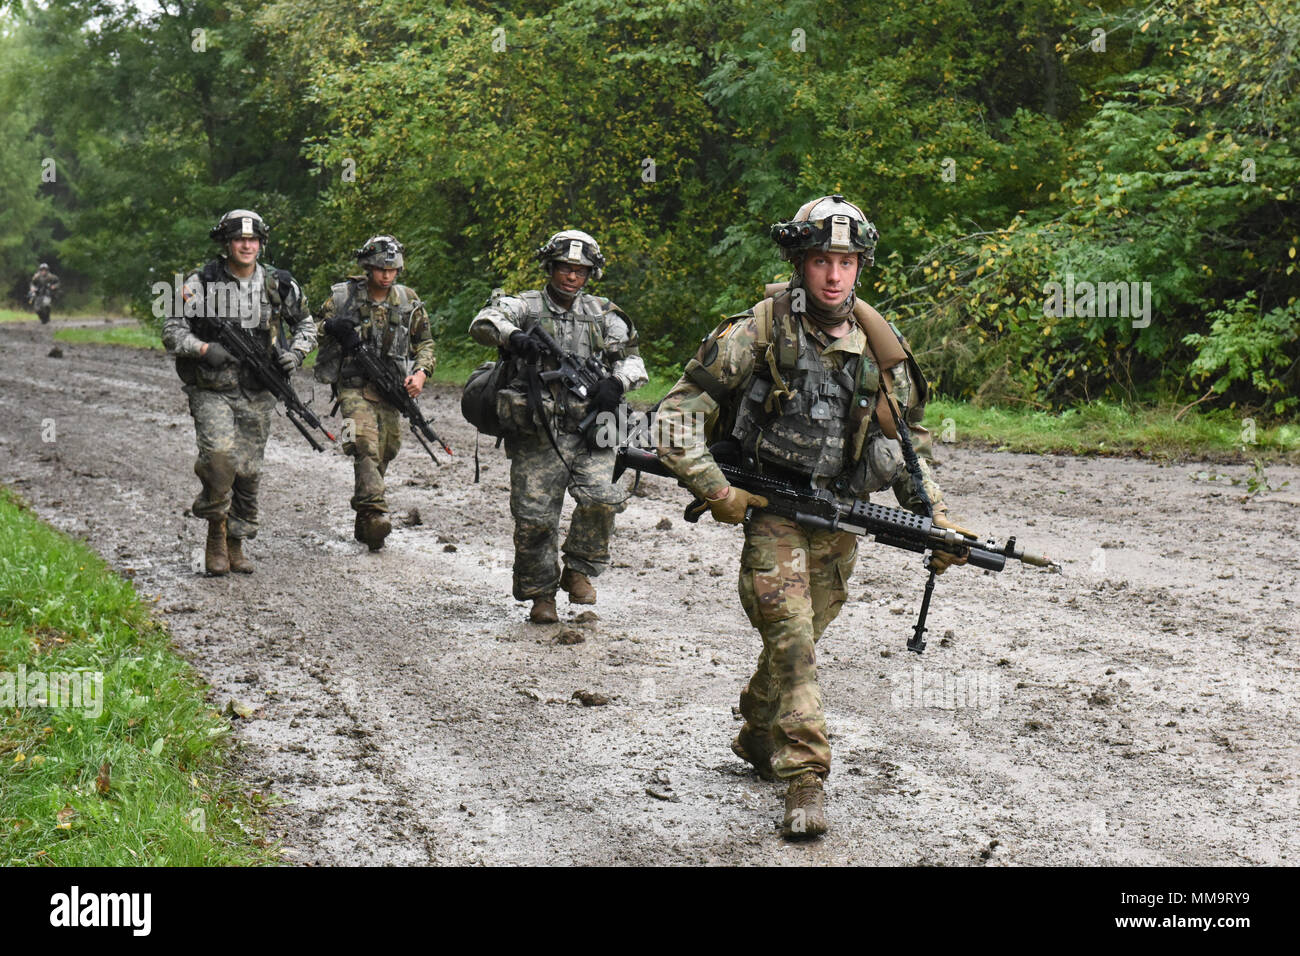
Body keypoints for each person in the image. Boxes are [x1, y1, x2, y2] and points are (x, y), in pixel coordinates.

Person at [654, 195, 975, 839]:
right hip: (771, 510)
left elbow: (902, 450)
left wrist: (938, 519)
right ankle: (805, 777)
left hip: (838, 518)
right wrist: (718, 491)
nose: (835, 275)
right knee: (793, 635)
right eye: (822, 260)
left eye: (847, 262)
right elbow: (673, 417)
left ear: (862, 268)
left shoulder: (882, 354)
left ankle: (757, 729)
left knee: (796, 642)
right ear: (800, 263)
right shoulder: (758, 331)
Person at [469, 229, 647, 624]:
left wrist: (616, 383)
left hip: (593, 428)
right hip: (539, 429)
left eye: (580, 271)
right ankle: (540, 595)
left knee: (605, 496)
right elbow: (483, 321)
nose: (572, 277)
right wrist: (514, 337)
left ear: (590, 275)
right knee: (534, 520)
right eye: (565, 268)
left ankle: (580, 568)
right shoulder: (526, 306)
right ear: (550, 267)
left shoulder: (603, 313)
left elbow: (633, 360)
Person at [162, 209, 316, 576]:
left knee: (248, 471)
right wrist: (202, 349)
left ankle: (236, 540)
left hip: (259, 390)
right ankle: (215, 532)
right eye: (239, 239)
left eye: (253, 240)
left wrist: (295, 354)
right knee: (218, 458)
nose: (246, 245)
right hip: (212, 388)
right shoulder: (199, 283)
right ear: (227, 243)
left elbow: (308, 324)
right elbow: (171, 329)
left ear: (261, 244)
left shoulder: (279, 284)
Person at [314, 235, 436, 551]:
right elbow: (311, 328)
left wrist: (421, 374)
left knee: (387, 449)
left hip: (392, 388)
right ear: (368, 267)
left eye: (391, 269)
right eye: (380, 268)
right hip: (352, 387)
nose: (385, 274)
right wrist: (332, 328)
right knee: (363, 443)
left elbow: (425, 343)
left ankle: (365, 513)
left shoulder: (408, 300)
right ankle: (375, 512)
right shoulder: (343, 298)